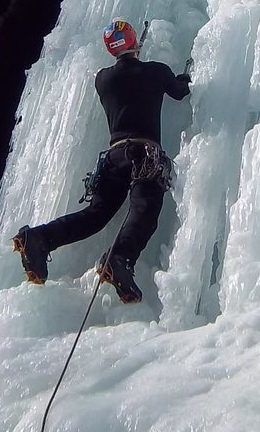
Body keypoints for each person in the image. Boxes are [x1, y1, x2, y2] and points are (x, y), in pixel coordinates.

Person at [13, 19, 192, 303]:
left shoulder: (103, 79)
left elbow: (129, 81)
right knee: (144, 209)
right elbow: (180, 92)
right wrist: (183, 78)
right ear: (135, 42)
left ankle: (40, 237)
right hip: (144, 153)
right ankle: (119, 259)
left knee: (96, 216)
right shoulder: (156, 72)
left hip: (114, 157)